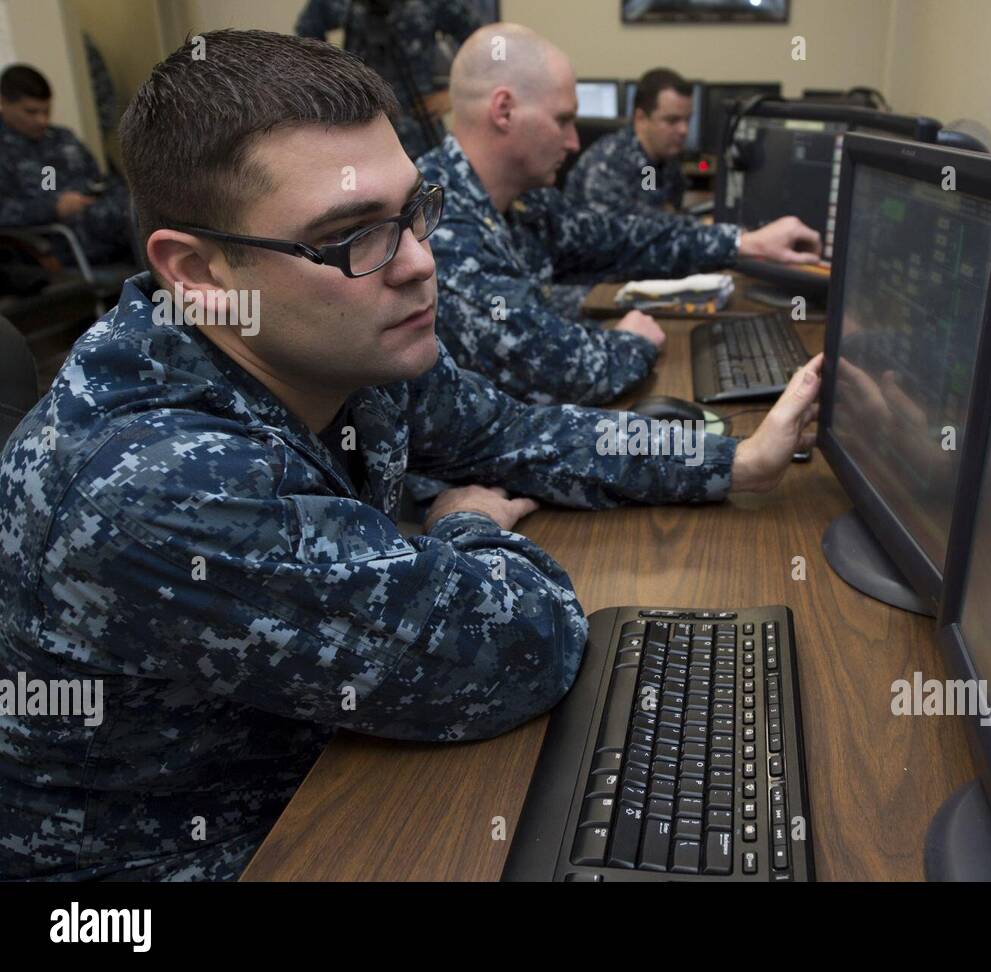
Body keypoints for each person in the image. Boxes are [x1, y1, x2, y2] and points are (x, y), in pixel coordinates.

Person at [0, 29, 822, 882]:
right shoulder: (160, 484)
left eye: (413, 211)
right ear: (201, 271)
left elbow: (513, 432)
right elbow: (521, 650)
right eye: (351, 235)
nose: (421, 263)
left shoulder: (338, 344)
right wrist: (464, 528)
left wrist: (732, 461)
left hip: (317, 777)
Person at [418, 24, 822, 406]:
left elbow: (617, 237)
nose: (575, 142)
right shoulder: (440, 225)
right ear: (504, 111)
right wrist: (633, 340)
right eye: (563, 120)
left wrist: (742, 242)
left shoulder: (525, 203)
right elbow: (557, 369)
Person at [296, 0, 481, 159]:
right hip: (359, 127)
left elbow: (480, 39)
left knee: (428, 194)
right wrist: (331, 85)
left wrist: (454, 94)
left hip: (419, 131)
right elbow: (307, 32)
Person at [0, 64, 133, 264]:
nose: (41, 120)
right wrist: (53, 208)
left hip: (113, 236)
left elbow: (104, 182)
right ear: (3, 102)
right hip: (59, 252)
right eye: (31, 112)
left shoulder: (63, 139)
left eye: (46, 111)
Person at [566, 67, 693, 215]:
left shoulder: (660, 160)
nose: (684, 130)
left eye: (687, 120)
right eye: (672, 120)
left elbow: (661, 208)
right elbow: (618, 231)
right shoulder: (608, 164)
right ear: (641, 119)